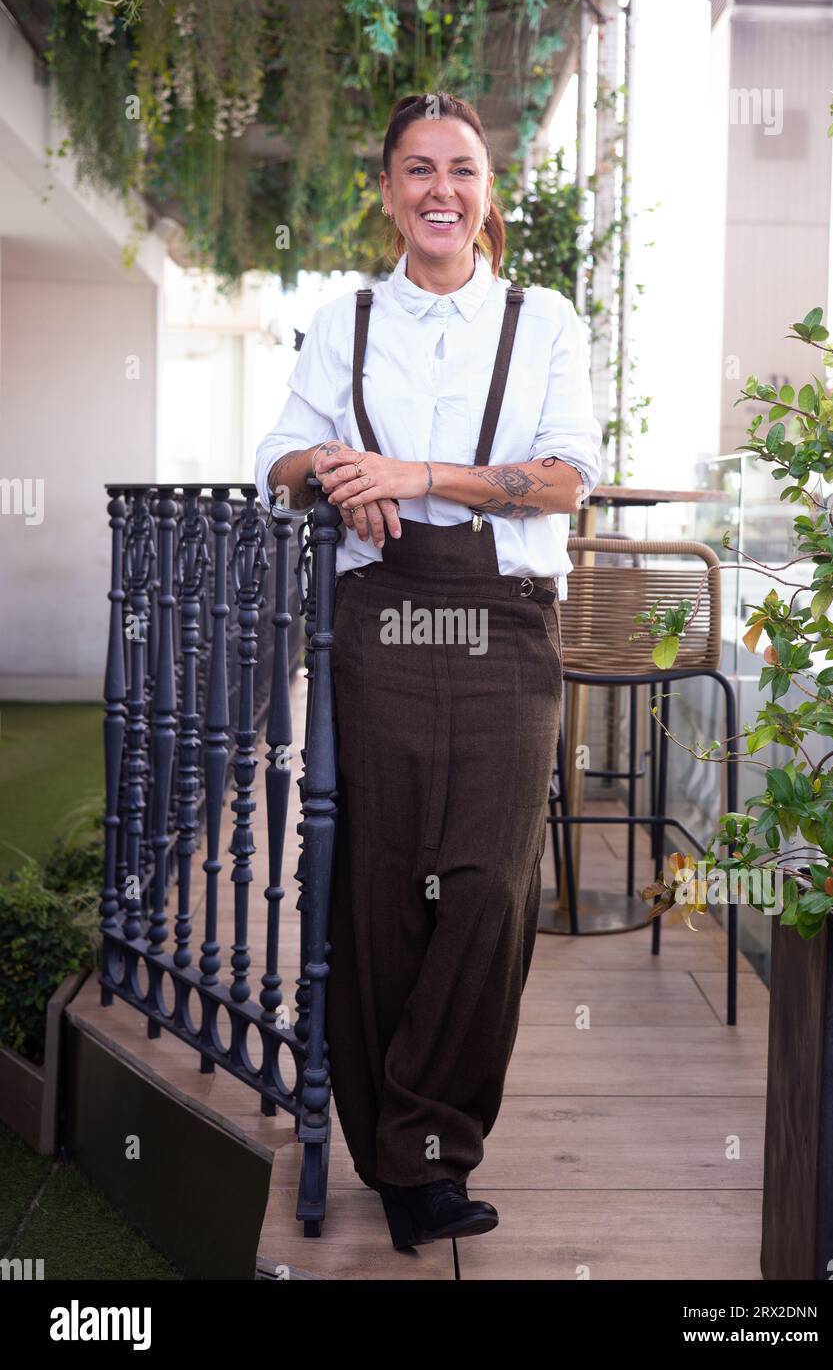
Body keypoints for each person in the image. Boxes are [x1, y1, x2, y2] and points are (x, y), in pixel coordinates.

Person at [255, 90, 603, 1251]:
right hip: (382, 621)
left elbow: (561, 480)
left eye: (460, 169)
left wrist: (414, 474)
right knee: (383, 879)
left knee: (488, 887)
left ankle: (429, 1121)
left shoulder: (541, 316)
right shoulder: (344, 317)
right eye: (417, 169)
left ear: (486, 190)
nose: (440, 190)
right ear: (390, 189)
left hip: (505, 622)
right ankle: (406, 1163)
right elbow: (277, 460)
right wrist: (329, 468)